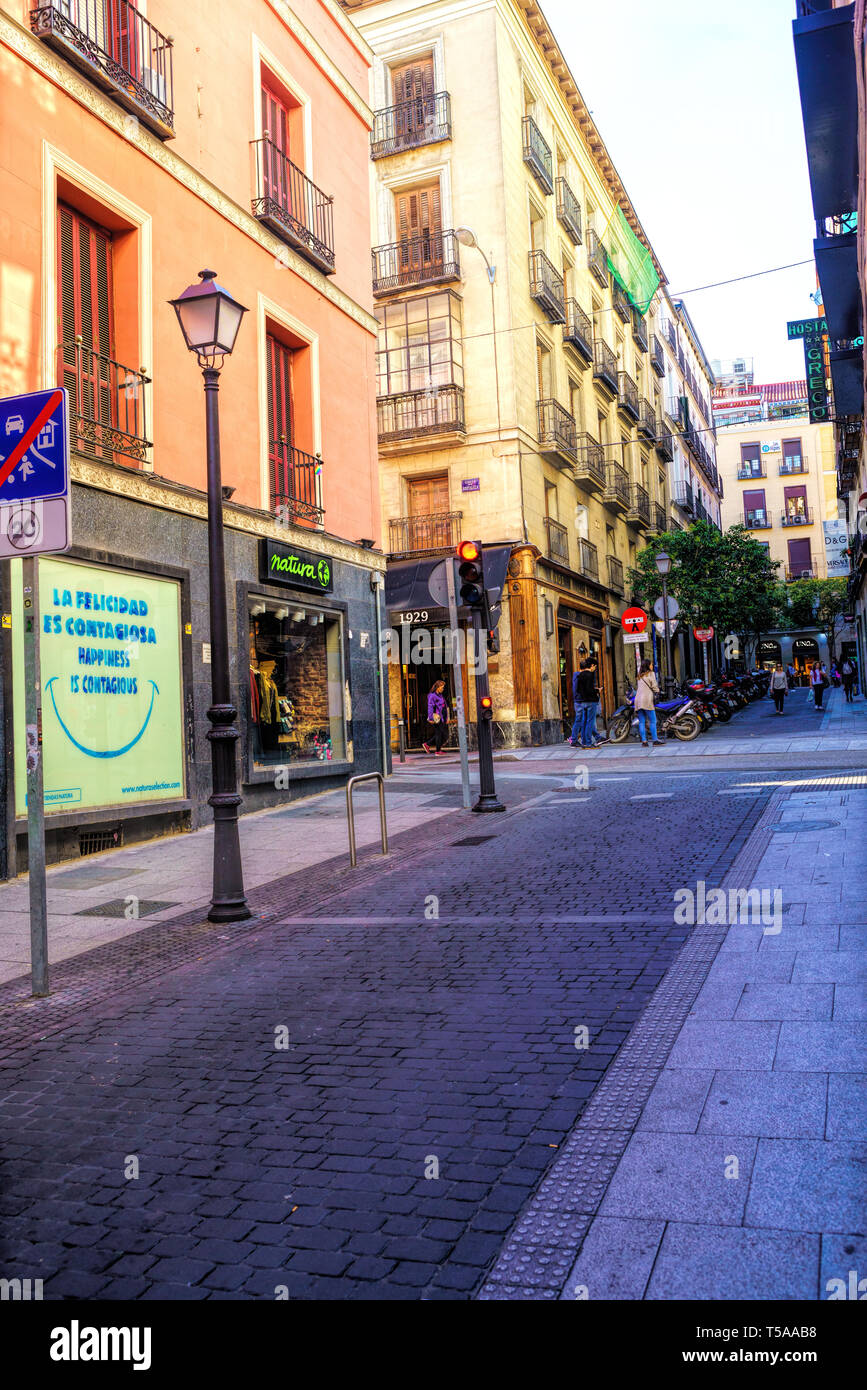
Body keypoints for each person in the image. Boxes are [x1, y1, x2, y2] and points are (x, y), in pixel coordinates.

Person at [576, 656, 607, 749]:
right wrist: (597, 691)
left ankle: (584, 742)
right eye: (595, 667)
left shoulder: (580, 675)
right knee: (590, 722)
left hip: (583, 701)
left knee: (584, 722)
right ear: (592, 665)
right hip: (591, 701)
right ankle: (589, 743)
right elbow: (589, 689)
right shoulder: (590, 675)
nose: (595, 669)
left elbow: (578, 689)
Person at [634, 658, 665, 747]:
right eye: (651, 664)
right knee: (653, 720)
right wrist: (658, 691)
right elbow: (654, 686)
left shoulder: (639, 676)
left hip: (638, 700)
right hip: (647, 700)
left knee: (642, 722)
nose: (652, 666)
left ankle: (644, 741)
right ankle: (655, 740)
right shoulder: (651, 674)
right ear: (648, 666)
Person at [422, 679, 449, 754]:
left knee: (439, 733)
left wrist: (447, 717)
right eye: (442, 687)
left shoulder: (440, 695)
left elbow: (445, 706)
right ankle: (436, 749)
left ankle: (429, 745)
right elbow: (430, 707)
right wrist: (430, 718)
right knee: (440, 733)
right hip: (437, 717)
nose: (443, 689)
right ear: (437, 687)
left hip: (442, 717)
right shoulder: (432, 696)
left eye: (443, 687)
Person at [567, 665, 585, 747]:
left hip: (577, 701)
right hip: (580, 701)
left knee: (581, 721)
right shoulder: (580, 677)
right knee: (581, 721)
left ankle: (574, 738)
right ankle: (574, 739)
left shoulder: (576, 676)